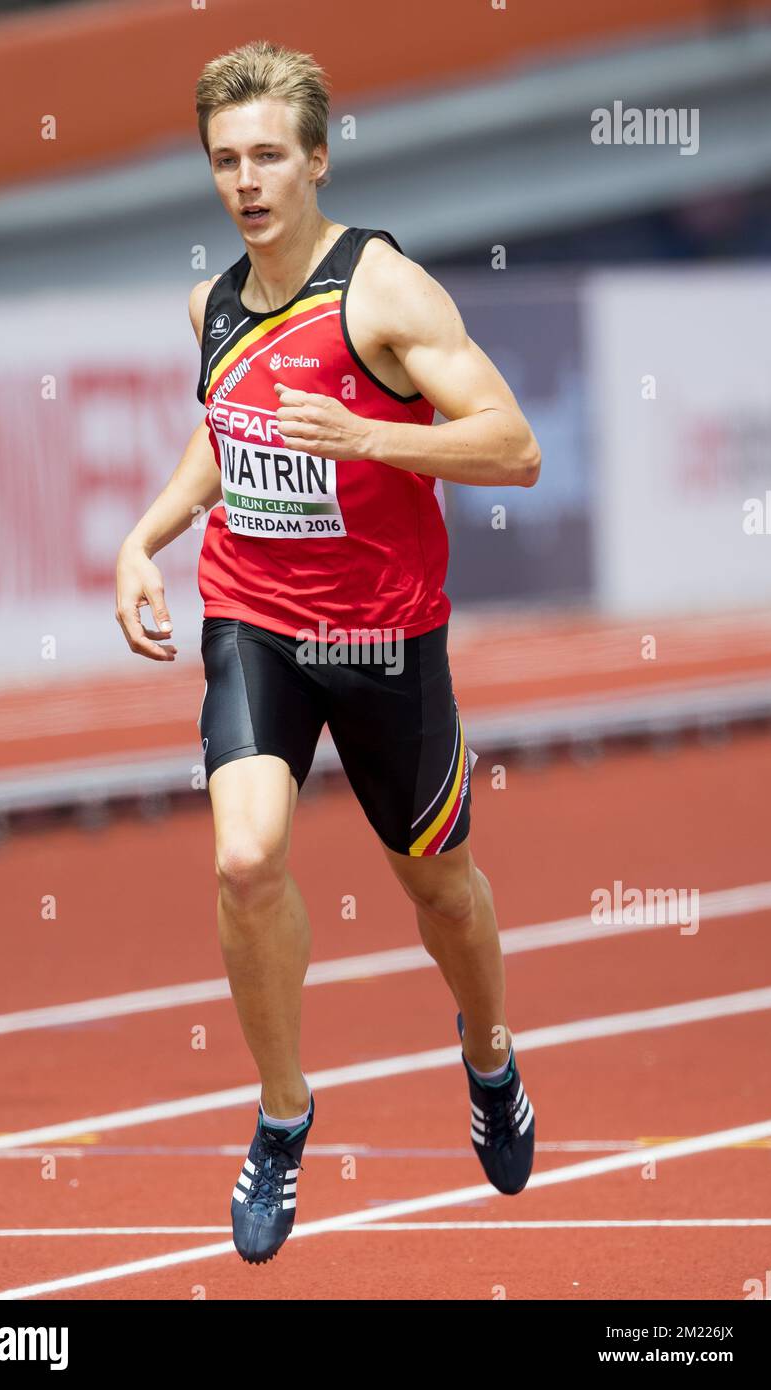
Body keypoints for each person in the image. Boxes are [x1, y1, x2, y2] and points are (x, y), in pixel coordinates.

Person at [115, 39, 541, 1266]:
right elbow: (226, 432)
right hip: (254, 618)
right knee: (245, 858)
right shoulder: (210, 306)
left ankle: (490, 1056)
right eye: (224, 161)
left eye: (266, 158)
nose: (245, 182)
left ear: (314, 159)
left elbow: (509, 446)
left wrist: (364, 434)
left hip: (385, 635)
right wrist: (147, 535)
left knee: (440, 892)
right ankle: (283, 1114)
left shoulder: (381, 293)